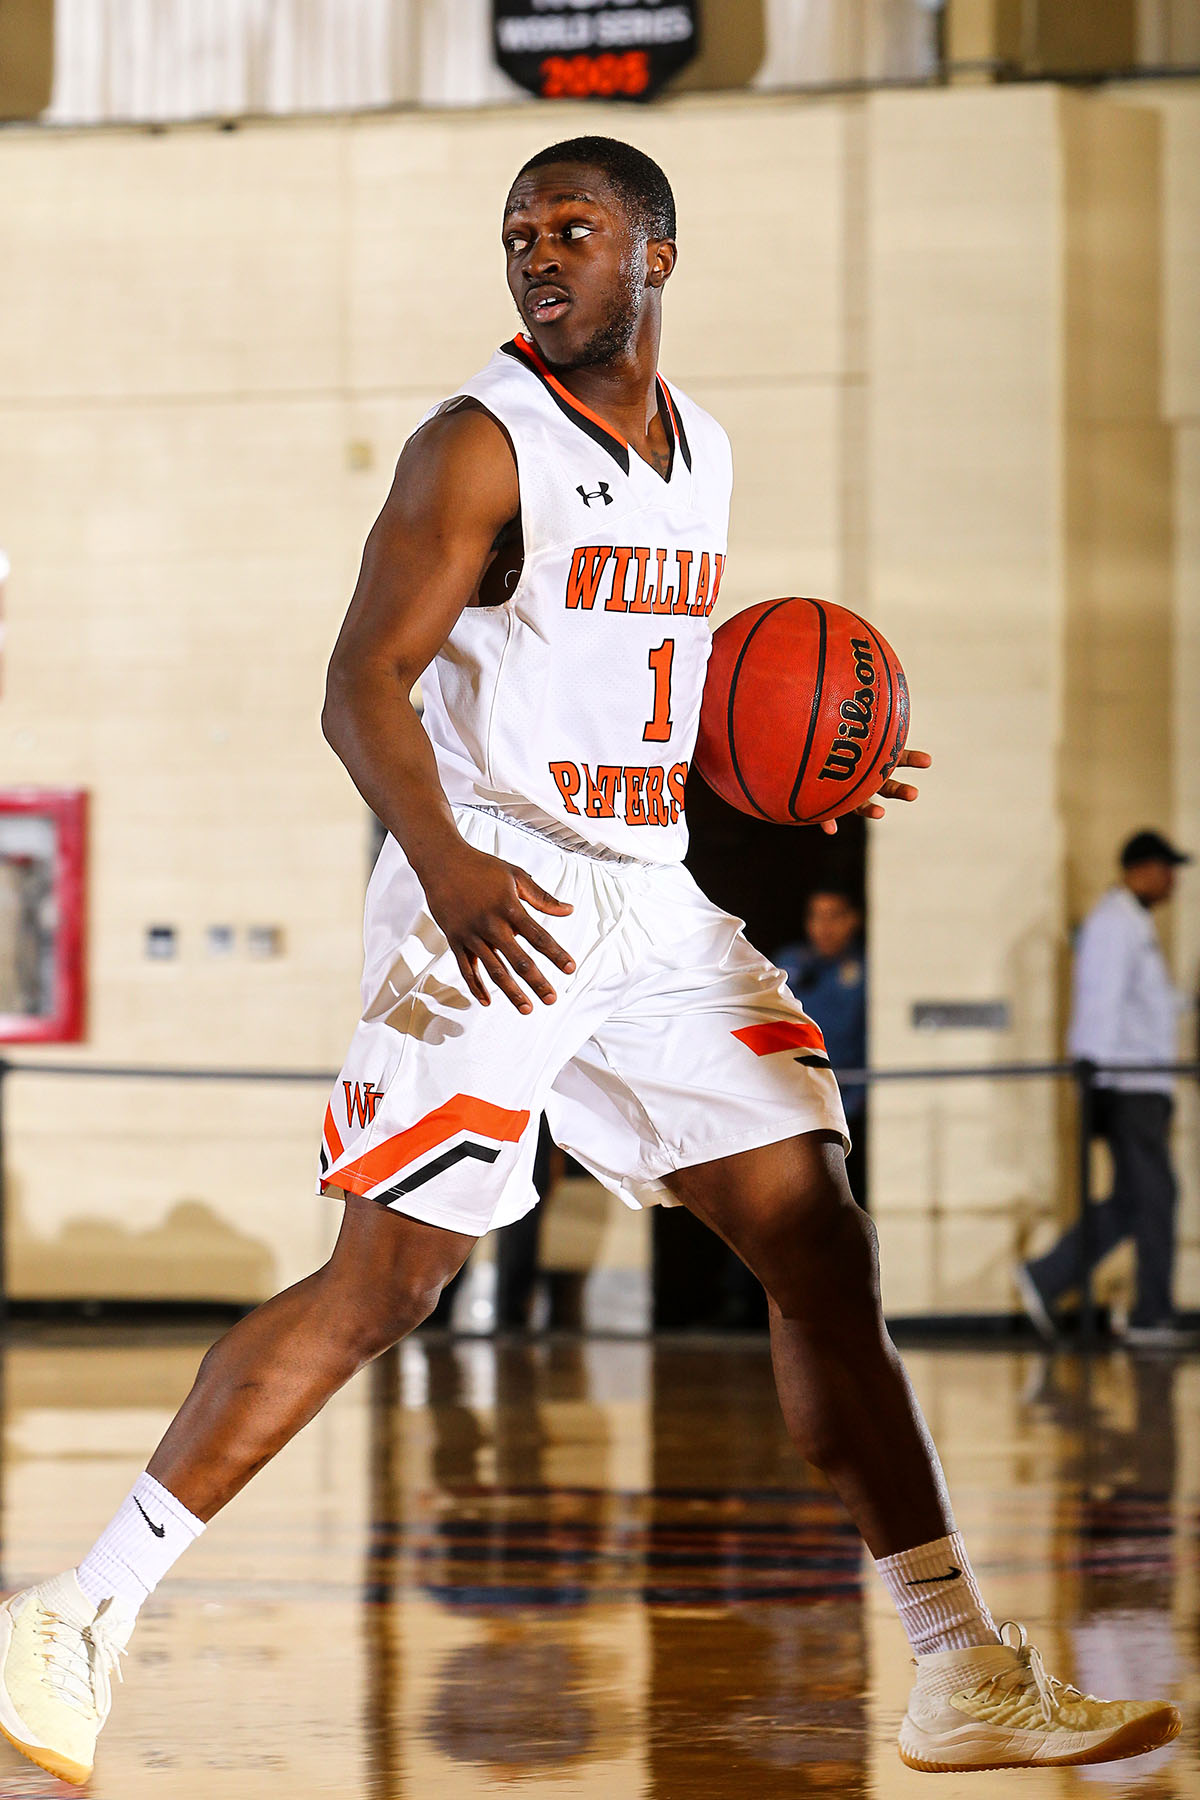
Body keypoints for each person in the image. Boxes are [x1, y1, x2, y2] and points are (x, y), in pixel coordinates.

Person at [0, 137, 1177, 1786]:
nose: (538, 258)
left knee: (820, 1246)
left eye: (574, 230)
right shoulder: (475, 447)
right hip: (488, 894)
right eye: (517, 236)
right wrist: (457, 867)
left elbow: (644, 681)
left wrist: (810, 750)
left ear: (659, 254)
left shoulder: (701, 454)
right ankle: (72, 1612)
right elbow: (359, 685)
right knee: (388, 1285)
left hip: (647, 902)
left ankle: (956, 1665)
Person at [1017, 830, 1193, 1350]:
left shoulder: (1132, 924)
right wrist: (1092, 1076)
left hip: (1141, 1083)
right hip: (1128, 1083)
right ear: (1141, 869)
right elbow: (1100, 1000)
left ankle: (1047, 1276)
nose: (1173, 880)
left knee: (1133, 1200)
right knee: (1157, 1197)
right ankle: (1151, 1314)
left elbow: (1145, 1005)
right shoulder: (1115, 924)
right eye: (1167, 868)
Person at [776, 891, 868, 1203]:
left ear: (853, 920)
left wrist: (852, 1107)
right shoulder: (789, 965)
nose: (824, 927)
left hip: (847, 1112)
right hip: (790, 1109)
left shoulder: (867, 971)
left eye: (834, 916)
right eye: (816, 917)